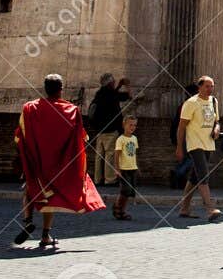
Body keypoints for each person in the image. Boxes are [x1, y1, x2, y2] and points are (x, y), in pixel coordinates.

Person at [14, 73, 104, 251]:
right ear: (61, 90)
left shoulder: (29, 108)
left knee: (30, 188)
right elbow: (81, 137)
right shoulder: (71, 110)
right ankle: (45, 235)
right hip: (58, 165)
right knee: (50, 199)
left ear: (45, 89)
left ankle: (28, 221)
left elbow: (19, 136)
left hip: (36, 161)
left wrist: (25, 156)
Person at [175, 75, 222, 220]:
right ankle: (210, 208)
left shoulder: (214, 101)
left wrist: (216, 130)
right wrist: (179, 147)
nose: (210, 89)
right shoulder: (191, 103)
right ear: (199, 87)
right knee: (203, 174)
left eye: (212, 86)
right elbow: (181, 127)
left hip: (208, 143)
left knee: (194, 177)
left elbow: (217, 122)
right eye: (207, 86)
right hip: (195, 144)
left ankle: (184, 208)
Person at [85, 73, 129, 186]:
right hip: (111, 129)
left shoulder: (100, 94)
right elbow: (127, 96)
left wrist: (118, 86)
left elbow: (114, 94)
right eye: (113, 82)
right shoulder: (111, 94)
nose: (114, 83)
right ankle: (110, 180)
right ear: (110, 84)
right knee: (110, 155)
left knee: (99, 155)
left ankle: (98, 179)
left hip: (100, 130)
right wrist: (126, 85)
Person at [112, 113, 140, 220]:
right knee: (125, 190)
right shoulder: (121, 139)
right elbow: (117, 154)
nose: (132, 127)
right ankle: (118, 208)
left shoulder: (134, 139)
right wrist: (117, 168)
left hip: (132, 168)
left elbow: (135, 153)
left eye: (134, 125)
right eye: (130, 125)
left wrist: (137, 166)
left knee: (130, 192)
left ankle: (121, 208)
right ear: (124, 125)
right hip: (123, 169)